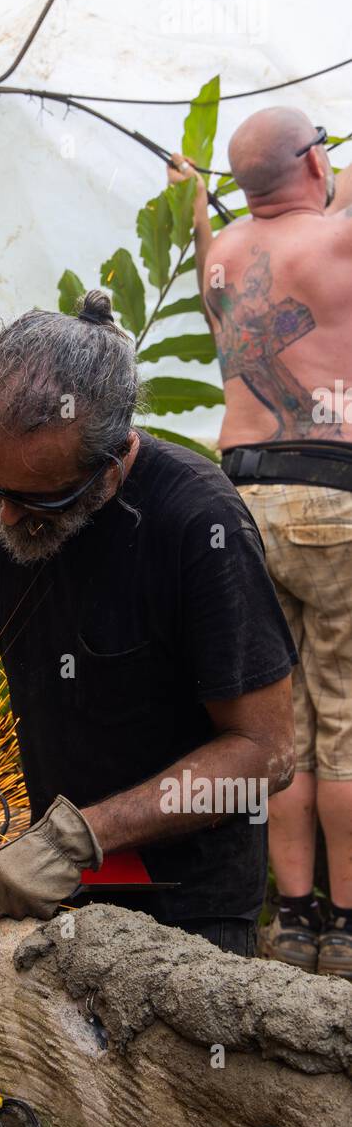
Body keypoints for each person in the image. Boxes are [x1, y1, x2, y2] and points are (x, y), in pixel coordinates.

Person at [0, 295, 296, 954]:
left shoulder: (198, 525)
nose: (2, 516)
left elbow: (267, 751)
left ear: (112, 462)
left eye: (36, 502)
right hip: (52, 879)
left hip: (184, 903)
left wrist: (80, 836)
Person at [169, 107, 352, 978]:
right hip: (332, 499)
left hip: (240, 504)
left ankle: (295, 919)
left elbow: (228, 226)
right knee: (344, 721)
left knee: (280, 722)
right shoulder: (337, 242)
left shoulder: (219, 255)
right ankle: (347, 928)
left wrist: (202, 200)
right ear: (315, 163)